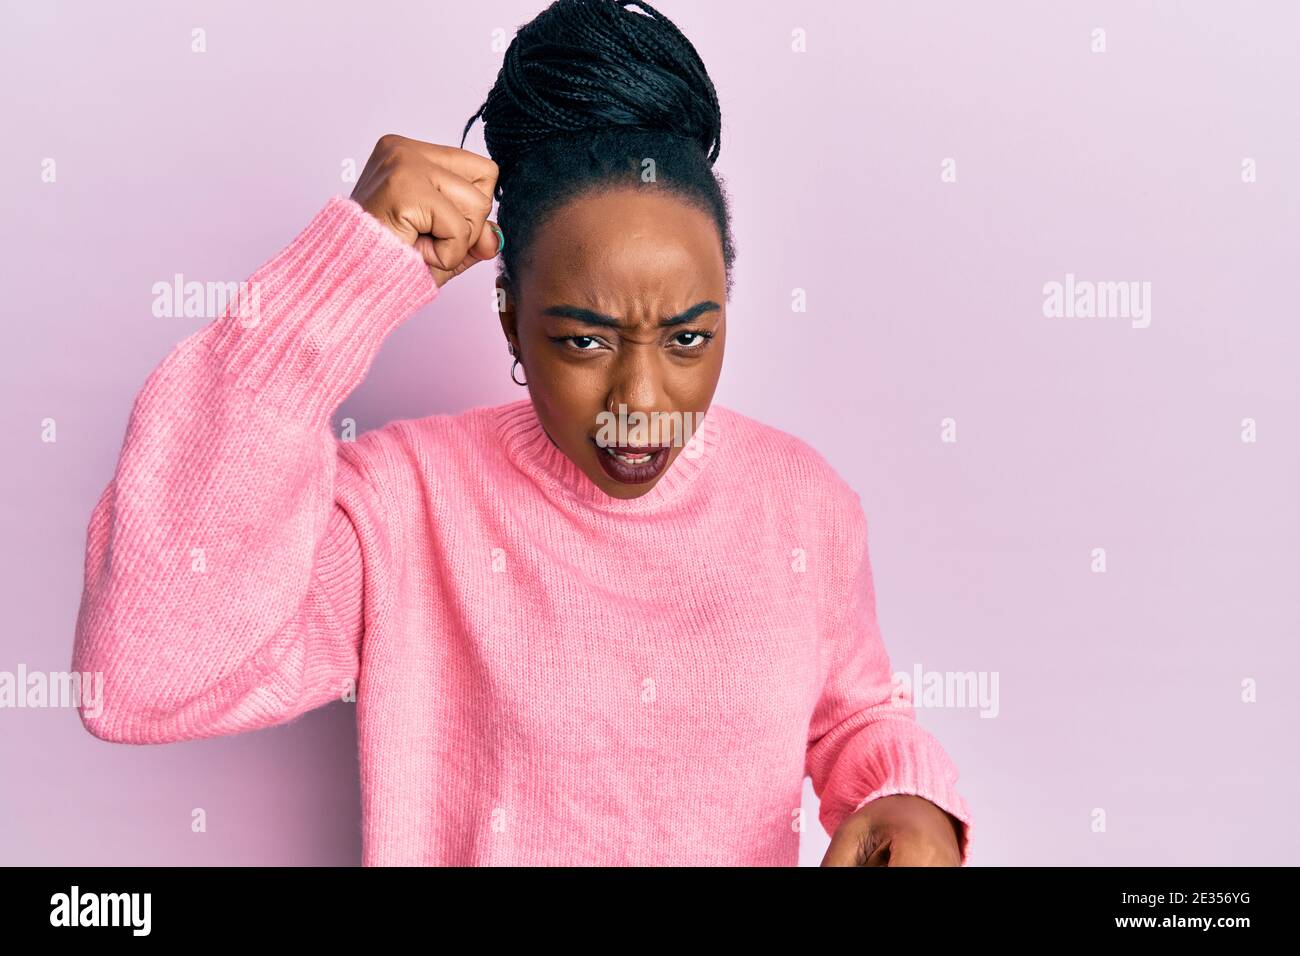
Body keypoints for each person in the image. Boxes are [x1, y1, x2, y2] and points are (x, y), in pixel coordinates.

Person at [72, 0, 973, 866]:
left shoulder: (801, 502)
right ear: (509, 319)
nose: (643, 397)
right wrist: (334, 285)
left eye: (690, 337)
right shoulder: (403, 507)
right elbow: (144, 676)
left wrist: (904, 798)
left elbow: (853, 715)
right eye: (584, 339)